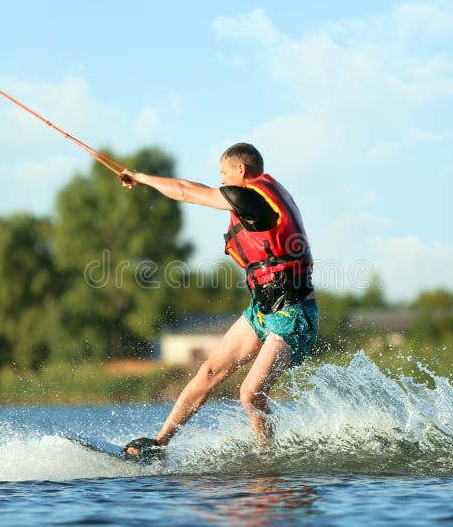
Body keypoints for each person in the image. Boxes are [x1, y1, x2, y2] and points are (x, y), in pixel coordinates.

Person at [117, 142, 318, 461]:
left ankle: (269, 460)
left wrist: (141, 178)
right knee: (209, 372)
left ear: (241, 169)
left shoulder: (251, 198)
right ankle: (159, 444)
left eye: (224, 173)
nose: (221, 180)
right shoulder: (260, 196)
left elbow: (185, 190)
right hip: (262, 310)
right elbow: (193, 188)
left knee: (250, 394)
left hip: (292, 315)